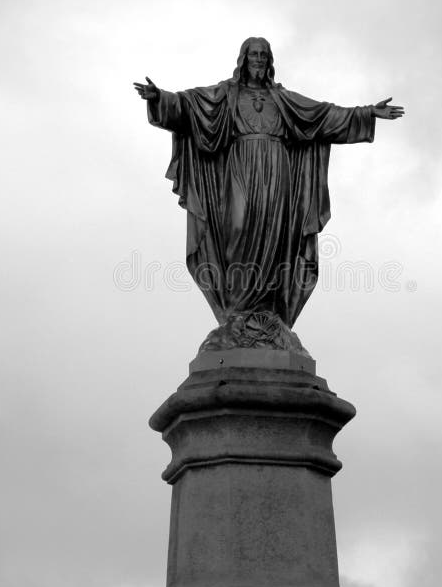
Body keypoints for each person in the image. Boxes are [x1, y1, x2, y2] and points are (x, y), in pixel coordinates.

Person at [134, 37, 404, 352]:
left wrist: (368, 112)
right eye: (254, 55)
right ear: (243, 59)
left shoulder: (283, 100)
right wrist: (160, 98)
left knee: (275, 240)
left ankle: (265, 315)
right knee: (238, 230)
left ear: (269, 60)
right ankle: (238, 313)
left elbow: (323, 116)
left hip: (278, 174)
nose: (259, 60)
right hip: (241, 169)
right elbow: (190, 106)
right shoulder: (227, 95)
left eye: (264, 55)